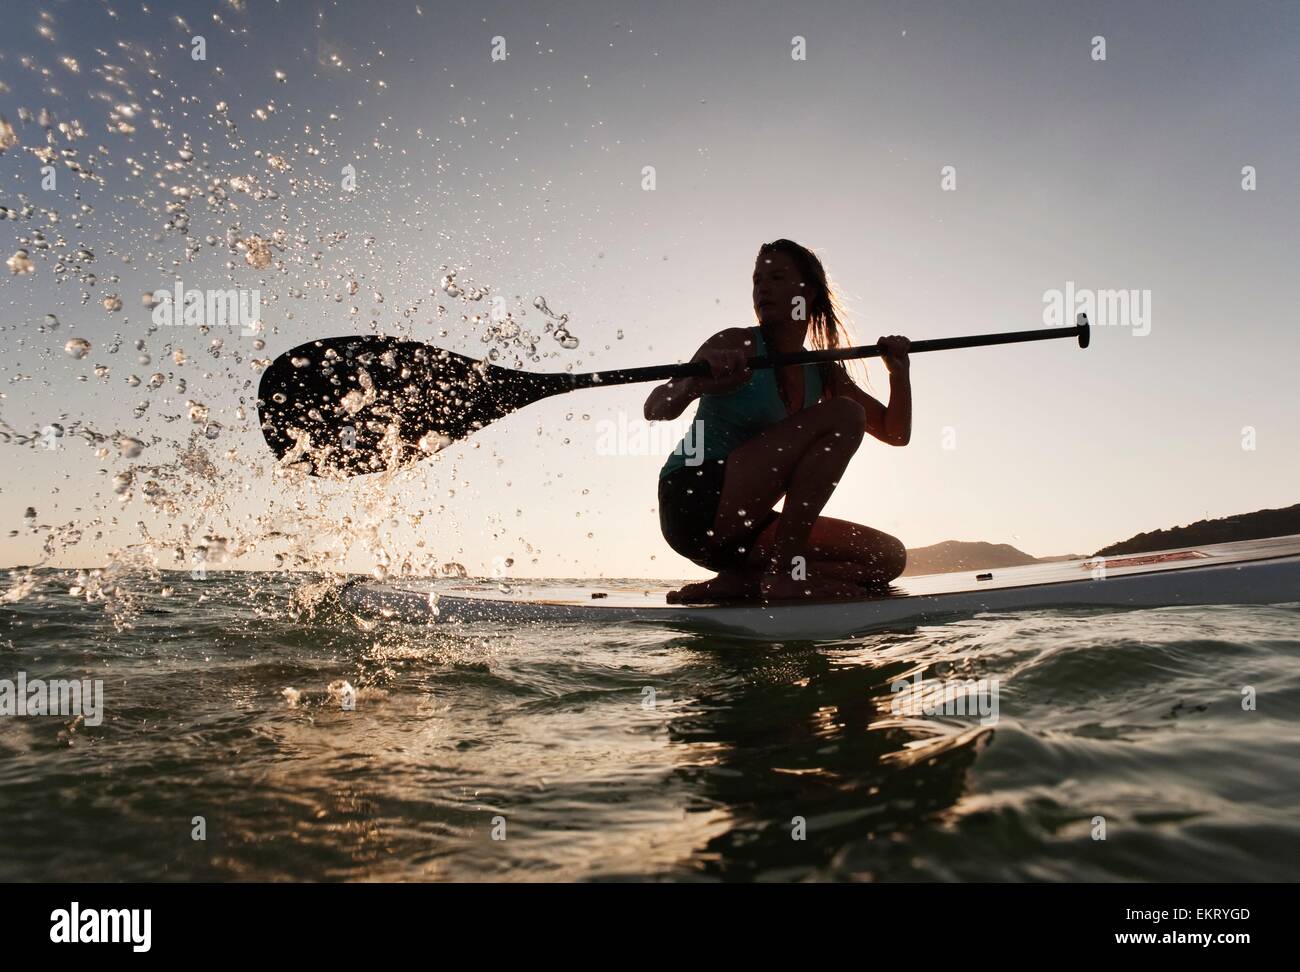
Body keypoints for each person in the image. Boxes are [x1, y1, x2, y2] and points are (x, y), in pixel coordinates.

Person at [646, 239, 911, 603]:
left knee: (887, 559)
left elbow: (896, 433)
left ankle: (741, 582)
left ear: (809, 292)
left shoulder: (823, 371)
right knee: (845, 413)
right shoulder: (737, 343)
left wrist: (899, 373)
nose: (762, 289)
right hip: (694, 500)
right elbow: (656, 407)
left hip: (747, 528)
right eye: (757, 280)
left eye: (776, 277)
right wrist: (697, 383)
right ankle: (785, 575)